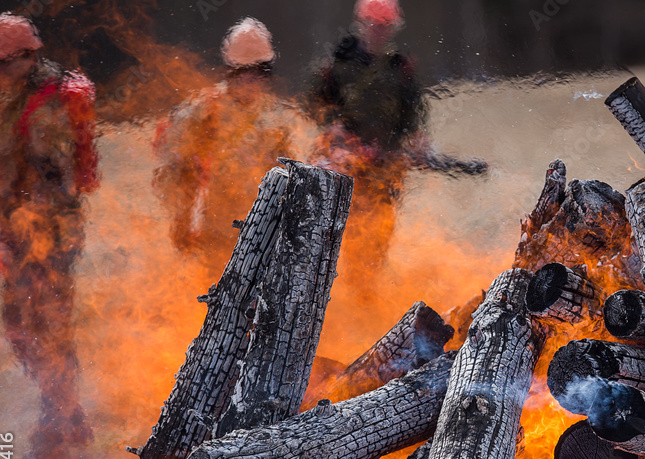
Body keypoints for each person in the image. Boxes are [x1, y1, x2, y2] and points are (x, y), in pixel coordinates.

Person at [307, 0, 485, 303]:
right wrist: (334, 128)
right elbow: (314, 103)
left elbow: (413, 114)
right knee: (337, 234)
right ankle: (330, 297)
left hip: (386, 170)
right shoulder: (337, 62)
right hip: (343, 166)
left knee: (376, 238)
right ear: (361, 25)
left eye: (386, 27)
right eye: (375, 25)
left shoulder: (400, 68)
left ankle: (364, 297)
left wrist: (416, 140)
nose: (379, 32)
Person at [0, 12, 99, 459]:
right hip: (19, 230)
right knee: (24, 327)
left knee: (43, 325)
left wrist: (18, 240)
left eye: (2, 63)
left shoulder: (48, 103)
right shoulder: (12, 95)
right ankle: (63, 414)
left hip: (45, 233)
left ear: (27, 58)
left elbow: (53, 176)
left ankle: (63, 419)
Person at [153, 17, 308, 280]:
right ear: (231, 71)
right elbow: (178, 168)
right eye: (244, 72)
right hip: (217, 229)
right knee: (217, 300)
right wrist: (180, 222)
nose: (252, 80)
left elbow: (291, 175)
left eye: (259, 72)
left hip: (264, 230)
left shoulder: (276, 117)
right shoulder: (205, 110)